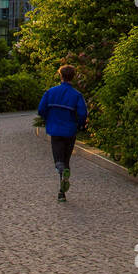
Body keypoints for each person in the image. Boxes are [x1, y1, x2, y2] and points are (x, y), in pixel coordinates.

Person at [37, 65, 87, 202]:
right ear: (74, 77)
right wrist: (80, 124)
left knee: (58, 158)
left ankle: (61, 180)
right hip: (70, 130)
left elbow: (41, 109)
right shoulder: (76, 95)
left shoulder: (50, 92)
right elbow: (83, 113)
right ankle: (62, 188)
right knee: (66, 158)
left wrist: (48, 118)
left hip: (55, 129)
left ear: (60, 76)